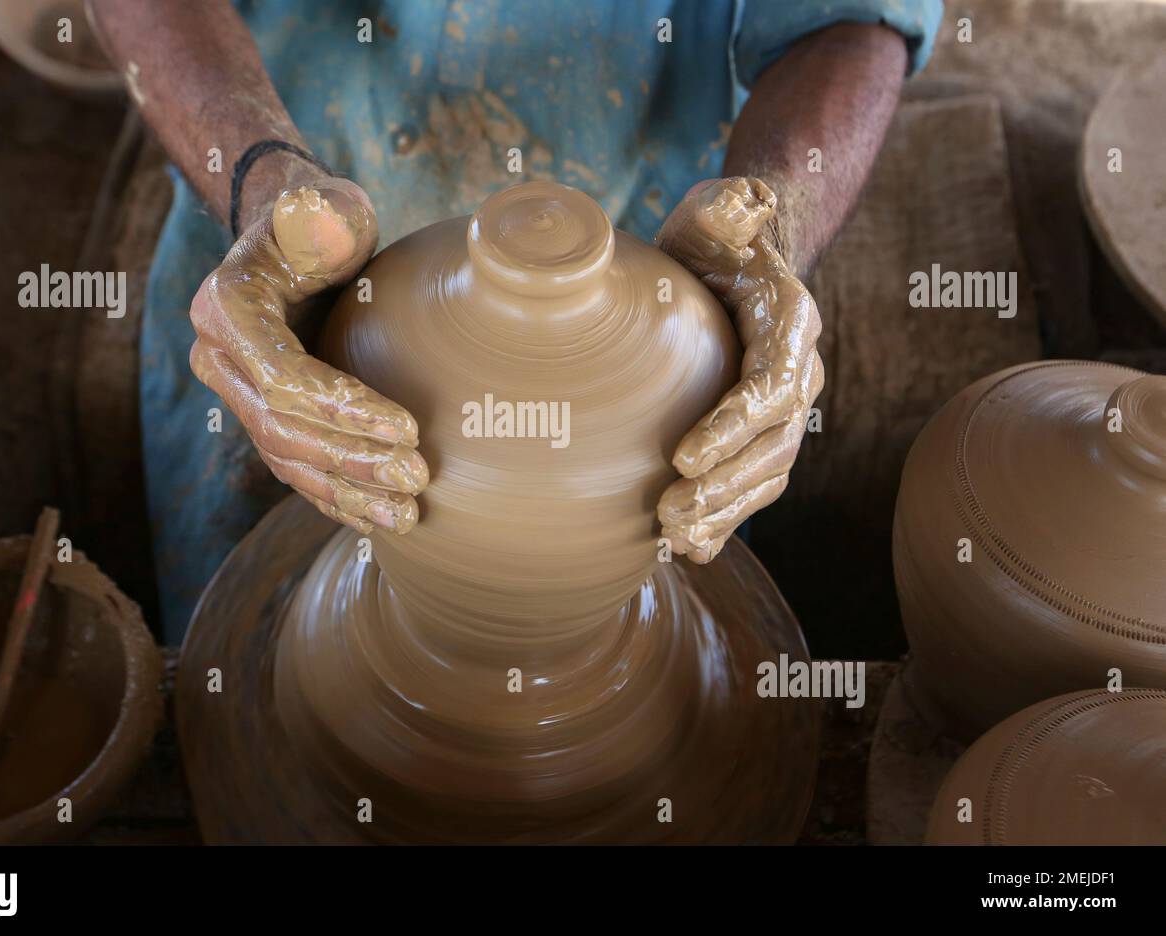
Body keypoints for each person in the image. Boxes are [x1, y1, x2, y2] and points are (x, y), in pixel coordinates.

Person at [89, 0, 943, 641]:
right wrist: (260, 184)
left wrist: (772, 224)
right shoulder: (273, 207)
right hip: (282, 189)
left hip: (670, 238)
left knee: (683, 501)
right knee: (242, 633)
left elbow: (850, 19)